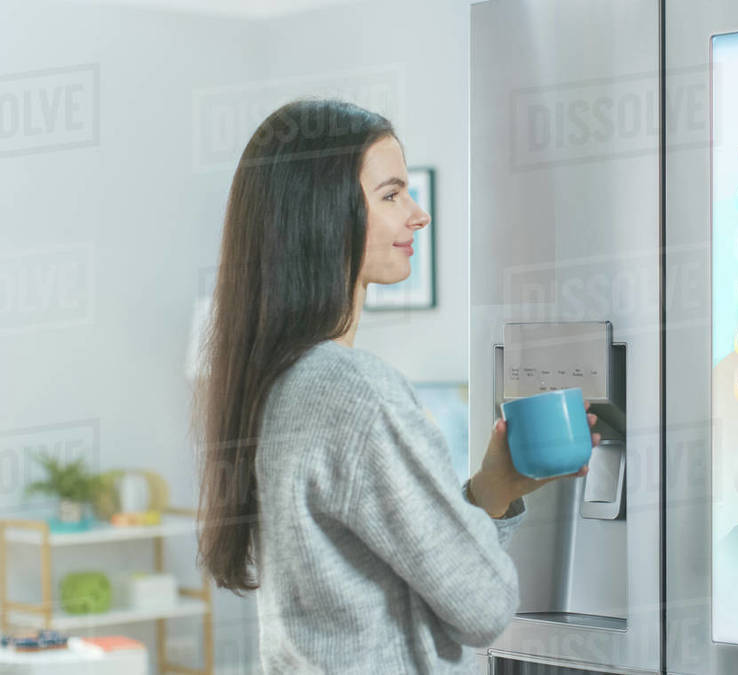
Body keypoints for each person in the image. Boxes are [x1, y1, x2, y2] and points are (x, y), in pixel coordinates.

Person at [191, 99, 594, 674]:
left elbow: (399, 583)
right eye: (391, 194)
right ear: (324, 216)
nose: (417, 214)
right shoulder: (356, 392)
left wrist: (491, 490)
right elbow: (483, 606)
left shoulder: (277, 384)